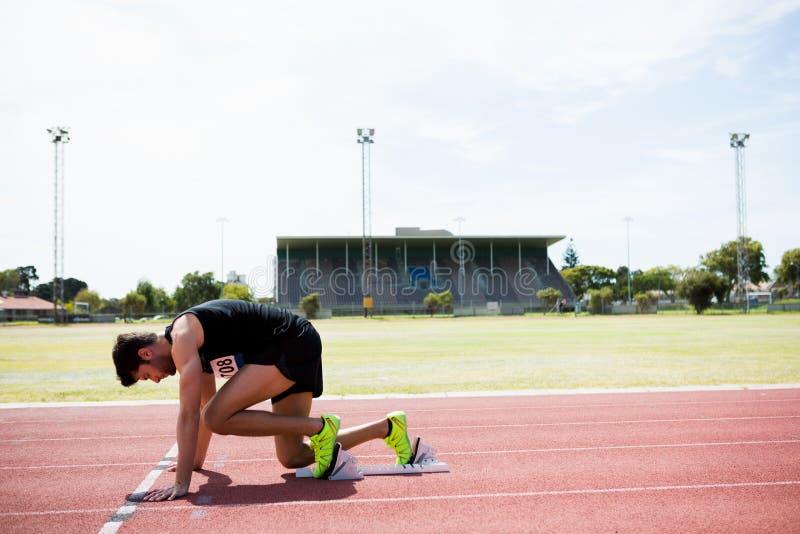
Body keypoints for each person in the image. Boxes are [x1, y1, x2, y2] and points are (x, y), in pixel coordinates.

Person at [112, 299, 413, 502]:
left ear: (146, 353)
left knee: (216, 418)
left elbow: (190, 414)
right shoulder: (194, 353)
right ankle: (386, 428)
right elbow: (205, 404)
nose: (155, 379)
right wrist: (194, 463)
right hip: (287, 350)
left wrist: (181, 484)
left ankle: (317, 427)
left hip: (291, 342)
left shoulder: (183, 336)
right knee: (292, 457)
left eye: (145, 375)